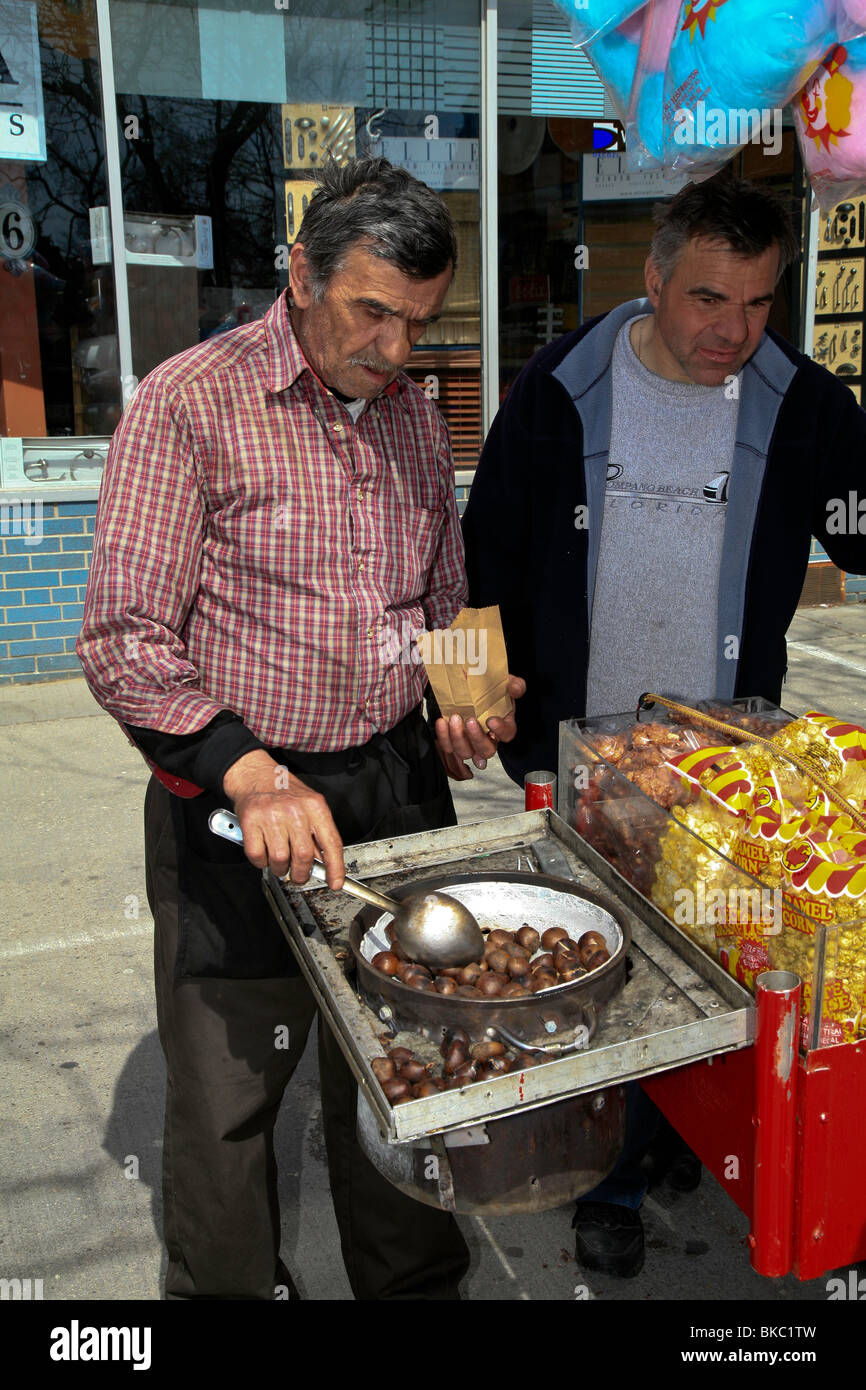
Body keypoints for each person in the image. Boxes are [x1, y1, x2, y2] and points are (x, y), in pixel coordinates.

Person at [77, 157, 523, 1301]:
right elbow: (125, 639)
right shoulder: (190, 400)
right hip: (239, 808)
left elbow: (436, 599)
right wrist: (249, 772)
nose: (393, 348)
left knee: (397, 1069)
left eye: (417, 323)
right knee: (227, 1104)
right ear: (300, 273)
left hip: (390, 789)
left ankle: (411, 1283)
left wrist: (462, 703)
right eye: (370, 310)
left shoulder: (417, 419)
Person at [461, 172, 866, 1278]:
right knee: (610, 977)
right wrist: (470, 702)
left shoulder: (804, 405)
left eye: (753, 303)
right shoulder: (558, 391)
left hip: (735, 772)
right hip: (584, 761)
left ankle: (679, 1136)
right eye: (702, 300)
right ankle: (609, 1175)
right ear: (650, 279)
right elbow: (478, 563)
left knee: (724, 963)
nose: (728, 331)